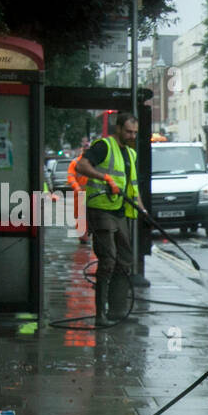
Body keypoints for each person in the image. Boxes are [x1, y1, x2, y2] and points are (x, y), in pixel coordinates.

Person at [75, 112, 147, 325]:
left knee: (125, 259)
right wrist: (104, 177)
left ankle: (118, 310)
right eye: (128, 131)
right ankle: (100, 315)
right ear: (118, 128)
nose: (132, 135)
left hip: (119, 212)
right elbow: (82, 166)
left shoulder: (130, 154)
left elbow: (132, 185)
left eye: (135, 132)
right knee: (108, 260)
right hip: (100, 209)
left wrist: (141, 208)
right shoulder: (103, 146)